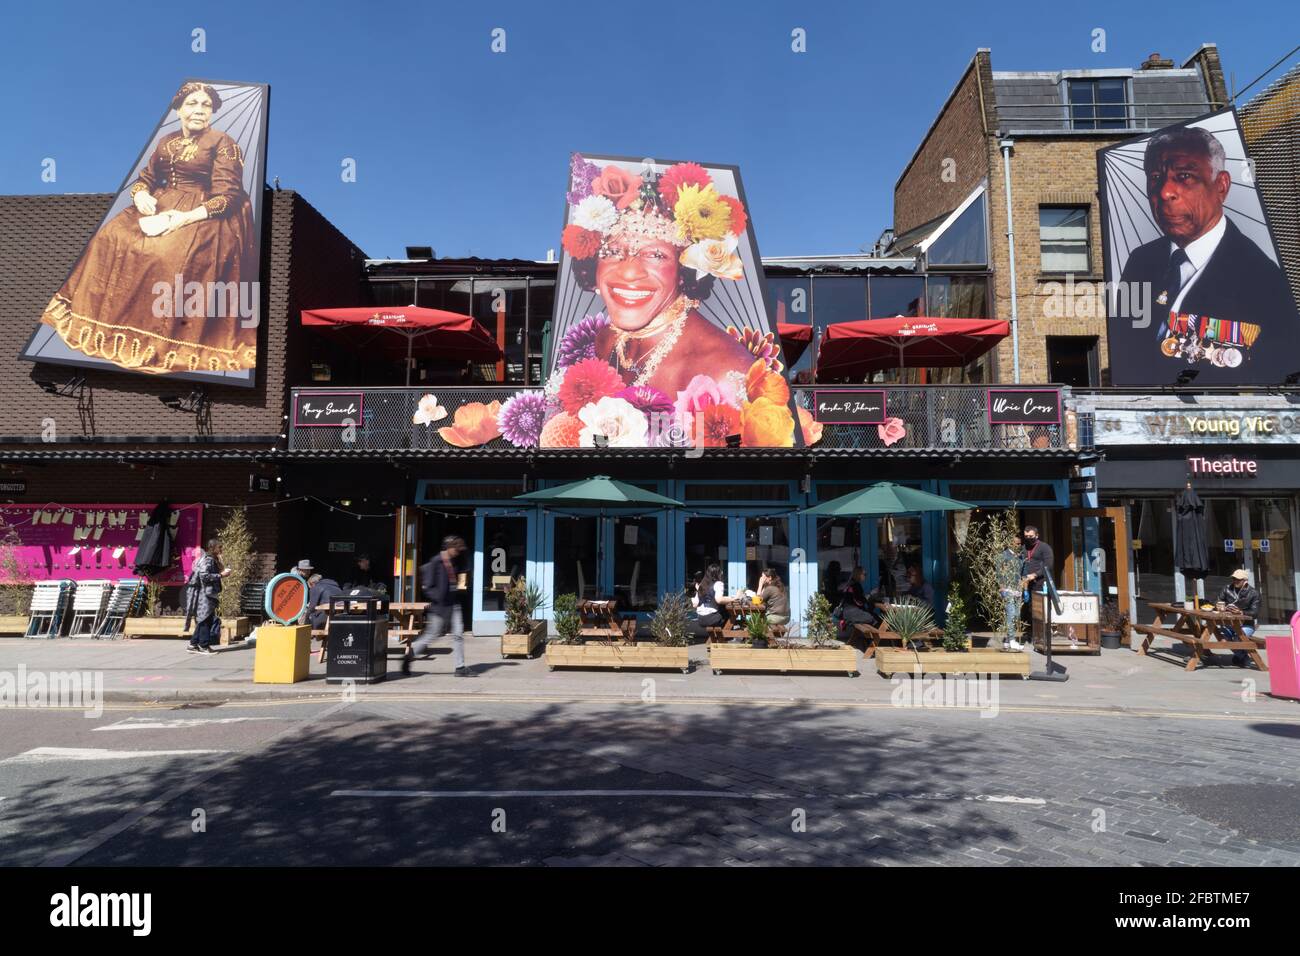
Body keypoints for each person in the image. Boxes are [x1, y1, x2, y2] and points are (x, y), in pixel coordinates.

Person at [39, 81, 258, 376]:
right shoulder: (166, 140)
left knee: (168, 255)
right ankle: (106, 325)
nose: (199, 110)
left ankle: (157, 340)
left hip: (205, 212)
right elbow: (147, 177)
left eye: (206, 105)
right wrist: (141, 194)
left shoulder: (223, 143)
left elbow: (229, 195)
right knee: (110, 237)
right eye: (192, 103)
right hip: (163, 203)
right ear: (178, 109)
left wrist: (182, 218)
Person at [1116, 125, 1297, 385]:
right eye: (1155, 177)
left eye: (1185, 176)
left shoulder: (1262, 277)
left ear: (1221, 186)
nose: (1165, 192)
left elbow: (1279, 371)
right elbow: (1125, 353)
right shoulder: (1140, 261)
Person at [405, 536, 471, 677]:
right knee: (431, 636)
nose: (457, 552)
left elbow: (464, 567)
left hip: (454, 604)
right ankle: (408, 657)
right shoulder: (436, 562)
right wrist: (438, 598)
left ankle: (460, 668)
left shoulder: (455, 561)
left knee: (458, 635)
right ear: (448, 547)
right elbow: (427, 587)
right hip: (440, 606)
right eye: (455, 549)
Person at [184, 538, 231, 655]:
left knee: (205, 619)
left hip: (208, 593)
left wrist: (221, 566)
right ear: (213, 548)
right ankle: (203, 646)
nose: (221, 549)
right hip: (205, 594)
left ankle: (193, 644)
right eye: (219, 547)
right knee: (206, 619)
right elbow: (204, 576)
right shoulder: (207, 560)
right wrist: (221, 575)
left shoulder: (212, 559)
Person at [1217, 569, 1261, 667]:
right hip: (1228, 623)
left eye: (1238, 579)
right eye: (1234, 579)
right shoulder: (1227, 588)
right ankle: (1242, 656)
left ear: (1245, 580)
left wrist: (1241, 612)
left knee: (1238, 638)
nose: (1235, 581)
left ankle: (1241, 657)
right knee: (1222, 637)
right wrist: (1220, 607)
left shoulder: (1254, 593)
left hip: (1246, 624)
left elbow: (1255, 613)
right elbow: (1218, 601)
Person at [996, 533, 1025, 650]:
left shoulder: (1021, 557)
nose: (1018, 545)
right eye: (1016, 543)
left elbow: (1023, 572)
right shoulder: (1003, 556)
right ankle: (1012, 640)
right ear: (1010, 543)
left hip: (1018, 589)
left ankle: (1007, 640)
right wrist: (1001, 587)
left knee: (1016, 615)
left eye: (1019, 543)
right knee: (1011, 614)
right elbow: (999, 572)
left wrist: (1024, 588)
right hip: (1007, 589)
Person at [688, 562, 726, 640]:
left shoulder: (702, 584)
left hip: (701, 619)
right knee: (727, 613)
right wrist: (734, 598)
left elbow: (695, 604)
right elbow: (719, 600)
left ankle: (715, 638)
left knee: (722, 610)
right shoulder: (718, 583)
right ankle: (726, 637)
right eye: (720, 571)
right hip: (712, 618)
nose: (722, 573)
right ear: (716, 574)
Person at [1022, 526, 1054, 591]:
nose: (1028, 538)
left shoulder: (1044, 547)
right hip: (1026, 584)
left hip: (1041, 584)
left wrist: (1035, 575)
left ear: (1037, 536)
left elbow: (1048, 565)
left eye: (1031, 536)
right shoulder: (1023, 548)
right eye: (1026, 536)